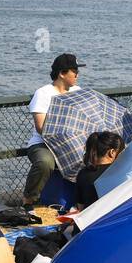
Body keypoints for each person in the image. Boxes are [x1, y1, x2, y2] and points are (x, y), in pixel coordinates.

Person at [21, 53, 83, 206]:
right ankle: (29, 199)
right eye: (74, 70)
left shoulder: (78, 91)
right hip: (43, 143)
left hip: (73, 141)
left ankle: (81, 201)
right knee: (45, 162)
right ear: (62, 73)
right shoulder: (43, 93)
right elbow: (41, 127)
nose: (77, 74)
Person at [75, 131, 124, 208]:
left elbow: (80, 206)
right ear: (112, 152)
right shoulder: (119, 172)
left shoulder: (82, 174)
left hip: (89, 218)